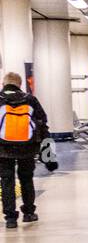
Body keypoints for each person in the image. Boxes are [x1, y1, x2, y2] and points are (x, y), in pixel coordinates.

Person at [0, 71, 48, 230]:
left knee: (7, 181)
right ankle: (28, 213)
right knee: (26, 179)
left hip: (3, 148)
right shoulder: (30, 99)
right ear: (20, 84)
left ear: (3, 83)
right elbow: (42, 123)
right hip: (27, 147)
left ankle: (10, 219)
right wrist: (47, 152)